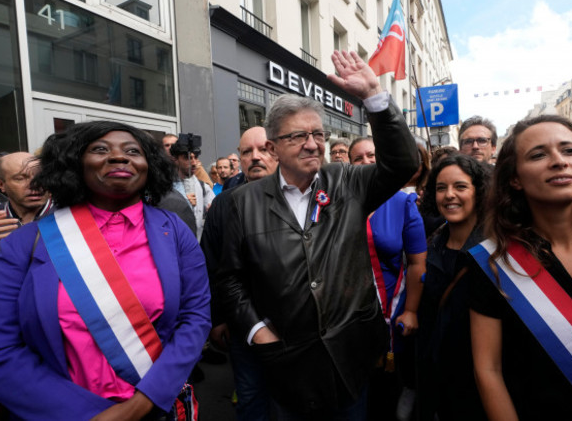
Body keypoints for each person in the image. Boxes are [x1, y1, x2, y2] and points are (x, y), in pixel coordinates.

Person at [216, 50, 419, 419]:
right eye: (298, 136)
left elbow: (404, 163)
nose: (312, 143)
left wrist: (375, 97)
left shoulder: (347, 180)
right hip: (286, 363)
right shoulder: (239, 203)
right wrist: (258, 331)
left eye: (318, 133)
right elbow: (229, 278)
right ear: (274, 148)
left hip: (349, 359)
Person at [0, 121, 211, 419]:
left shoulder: (175, 233)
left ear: (149, 166)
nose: (119, 157)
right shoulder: (24, 243)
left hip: (152, 408)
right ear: (75, 164)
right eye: (100, 149)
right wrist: (86, 414)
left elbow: (194, 319)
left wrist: (141, 404)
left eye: (133, 151)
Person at [469, 115, 572, 420]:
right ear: (514, 178)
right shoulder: (494, 263)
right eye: (539, 154)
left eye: (570, 151)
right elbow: (488, 370)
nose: (559, 161)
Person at [348, 137, 427, 421]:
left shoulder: (402, 202)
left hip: (392, 313)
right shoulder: (338, 201)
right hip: (349, 316)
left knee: (385, 391)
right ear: (349, 164)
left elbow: (418, 262)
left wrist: (411, 310)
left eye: (372, 155)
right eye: (358, 158)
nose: (367, 162)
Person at [202, 126, 278, 421]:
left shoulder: (301, 197)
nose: (255, 157)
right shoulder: (223, 204)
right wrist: (217, 317)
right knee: (251, 398)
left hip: (295, 325)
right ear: (239, 159)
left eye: (264, 149)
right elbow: (210, 263)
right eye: (247, 152)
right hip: (242, 326)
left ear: (277, 152)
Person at [415, 154, 491, 421]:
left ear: (479, 191)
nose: (449, 195)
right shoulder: (431, 242)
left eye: (460, 187)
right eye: (440, 188)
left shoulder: (496, 251)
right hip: (434, 377)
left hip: (477, 384)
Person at [0, 152, 53, 273]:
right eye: (20, 178)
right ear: (1, 184)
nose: (35, 185)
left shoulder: (71, 215)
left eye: (40, 177)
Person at [170, 143, 214, 240]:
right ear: (175, 159)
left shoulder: (203, 187)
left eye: (196, 157)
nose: (194, 163)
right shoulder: (165, 187)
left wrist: (213, 210)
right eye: (187, 158)